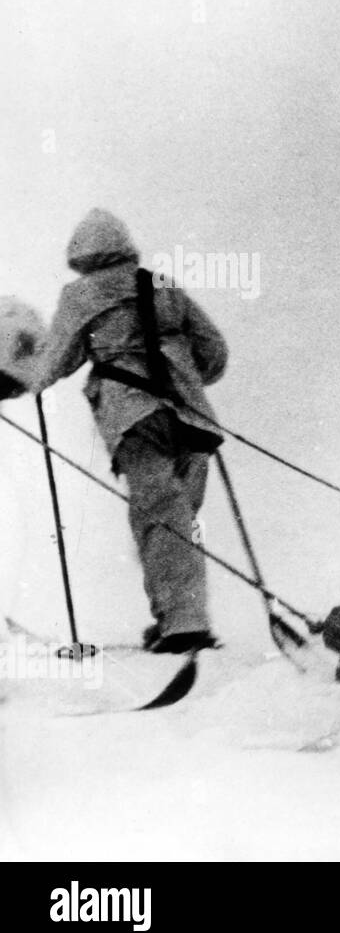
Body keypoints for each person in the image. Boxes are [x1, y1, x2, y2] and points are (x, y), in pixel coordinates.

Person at [23, 209, 228, 654]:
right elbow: (214, 351)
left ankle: (183, 623)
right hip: (193, 419)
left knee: (158, 517)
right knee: (177, 519)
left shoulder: (81, 294)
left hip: (133, 415)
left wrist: (23, 382)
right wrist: (185, 377)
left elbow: (56, 359)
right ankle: (175, 618)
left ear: (81, 256)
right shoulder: (162, 285)